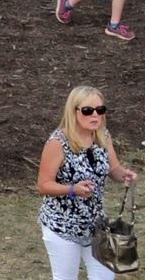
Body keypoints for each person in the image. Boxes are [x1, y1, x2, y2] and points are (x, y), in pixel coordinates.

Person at [37, 86, 137, 278]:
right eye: (87, 110)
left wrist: (124, 175)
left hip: (96, 224)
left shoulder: (102, 135)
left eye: (100, 110)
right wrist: (72, 190)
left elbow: (113, 168)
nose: (95, 115)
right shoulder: (57, 143)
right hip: (62, 226)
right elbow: (43, 185)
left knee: (105, 276)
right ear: (73, 111)